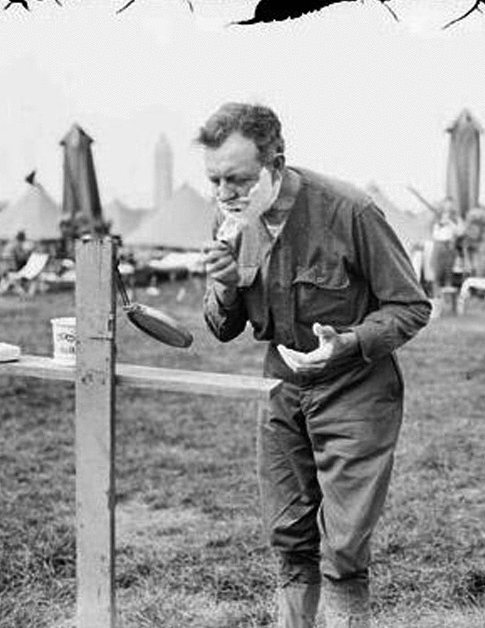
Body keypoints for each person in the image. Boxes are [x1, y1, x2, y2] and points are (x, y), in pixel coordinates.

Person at [198, 103, 431, 628]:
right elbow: (220, 327)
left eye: (237, 179)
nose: (224, 194)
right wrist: (227, 283)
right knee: (288, 536)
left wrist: (346, 343)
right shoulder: (230, 218)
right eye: (215, 180)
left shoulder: (349, 211)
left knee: (344, 549)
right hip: (281, 388)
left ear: (276, 162)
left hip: (355, 389)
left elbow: (411, 306)